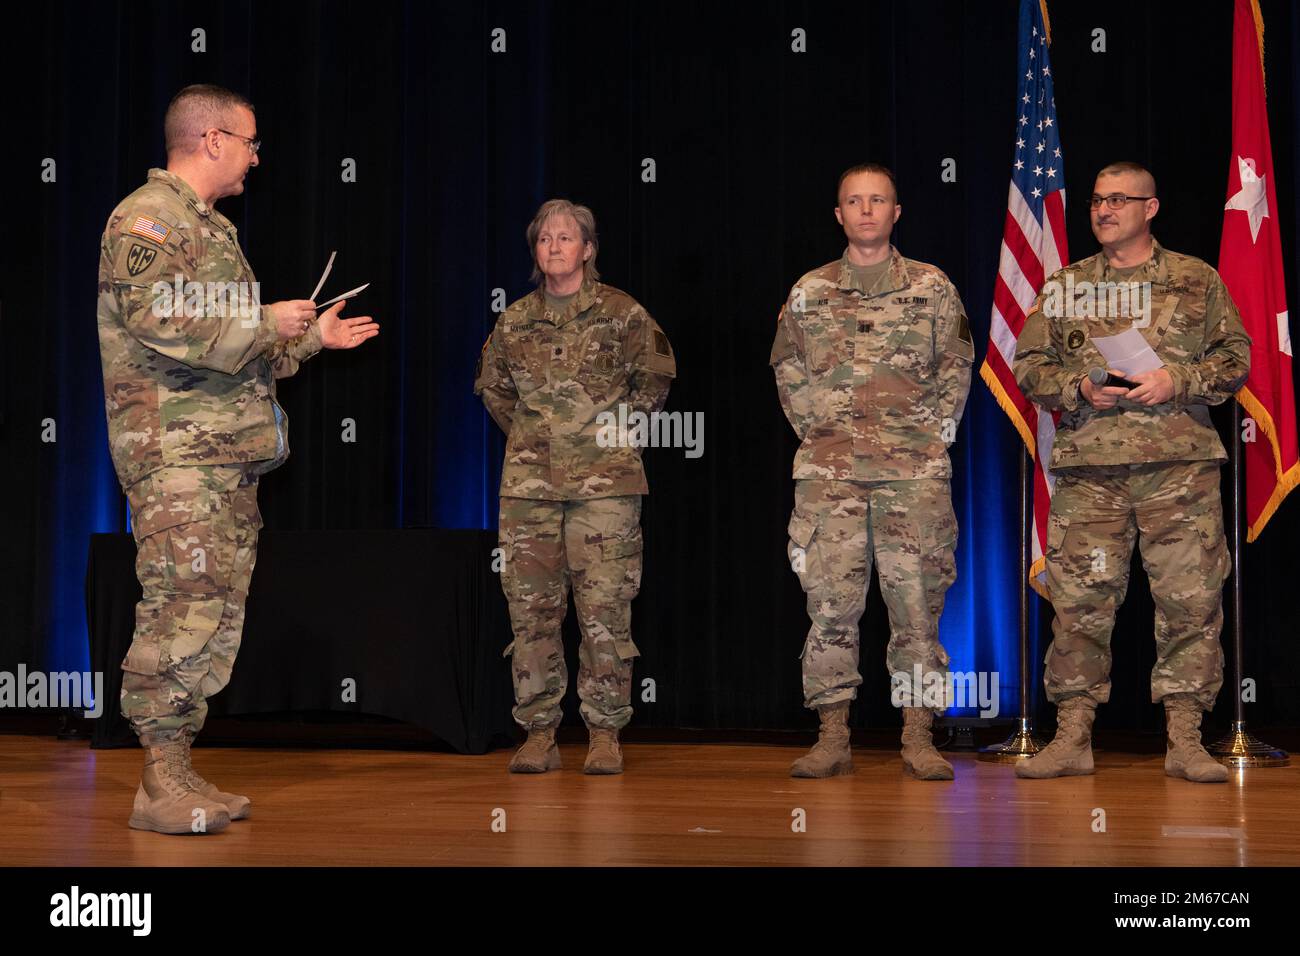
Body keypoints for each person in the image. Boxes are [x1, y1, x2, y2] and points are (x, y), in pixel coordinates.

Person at [97, 84, 379, 833]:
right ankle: (157, 781)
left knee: (214, 616)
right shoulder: (148, 219)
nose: (258, 158)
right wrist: (260, 318)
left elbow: (241, 354)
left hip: (224, 459)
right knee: (179, 608)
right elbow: (156, 316)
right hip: (177, 456)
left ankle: (177, 768)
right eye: (251, 142)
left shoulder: (214, 230)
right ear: (213, 139)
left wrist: (311, 338)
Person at [1013, 161, 1250, 782]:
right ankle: (1071, 737)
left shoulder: (1194, 279)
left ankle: (1186, 739)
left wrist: (1179, 379)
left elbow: (1236, 358)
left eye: (1119, 199)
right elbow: (1028, 367)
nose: (1103, 210)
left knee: (1189, 603)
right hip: (1091, 470)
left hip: (1179, 468)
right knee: (1080, 603)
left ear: (1151, 208)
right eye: (1096, 200)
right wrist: (1079, 387)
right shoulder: (1066, 284)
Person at [770, 164, 974, 779]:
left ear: (896, 211)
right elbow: (787, 369)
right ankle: (833, 735)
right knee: (830, 606)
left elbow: (956, 367)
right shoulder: (810, 290)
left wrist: (925, 439)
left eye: (877, 200)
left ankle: (918, 735)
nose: (865, 210)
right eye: (853, 202)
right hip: (829, 477)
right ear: (839, 214)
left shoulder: (932, 286)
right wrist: (821, 431)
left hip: (912, 477)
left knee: (916, 606)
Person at [474, 199, 675, 774]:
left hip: (606, 487)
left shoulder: (623, 314)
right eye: (544, 239)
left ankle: (605, 732)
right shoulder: (513, 320)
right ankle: (538, 731)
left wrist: (610, 434)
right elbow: (494, 391)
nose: (554, 247)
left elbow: (655, 377)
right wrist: (541, 439)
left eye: (566, 238)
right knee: (531, 613)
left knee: (604, 612)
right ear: (535, 251)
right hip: (530, 489)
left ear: (588, 249)